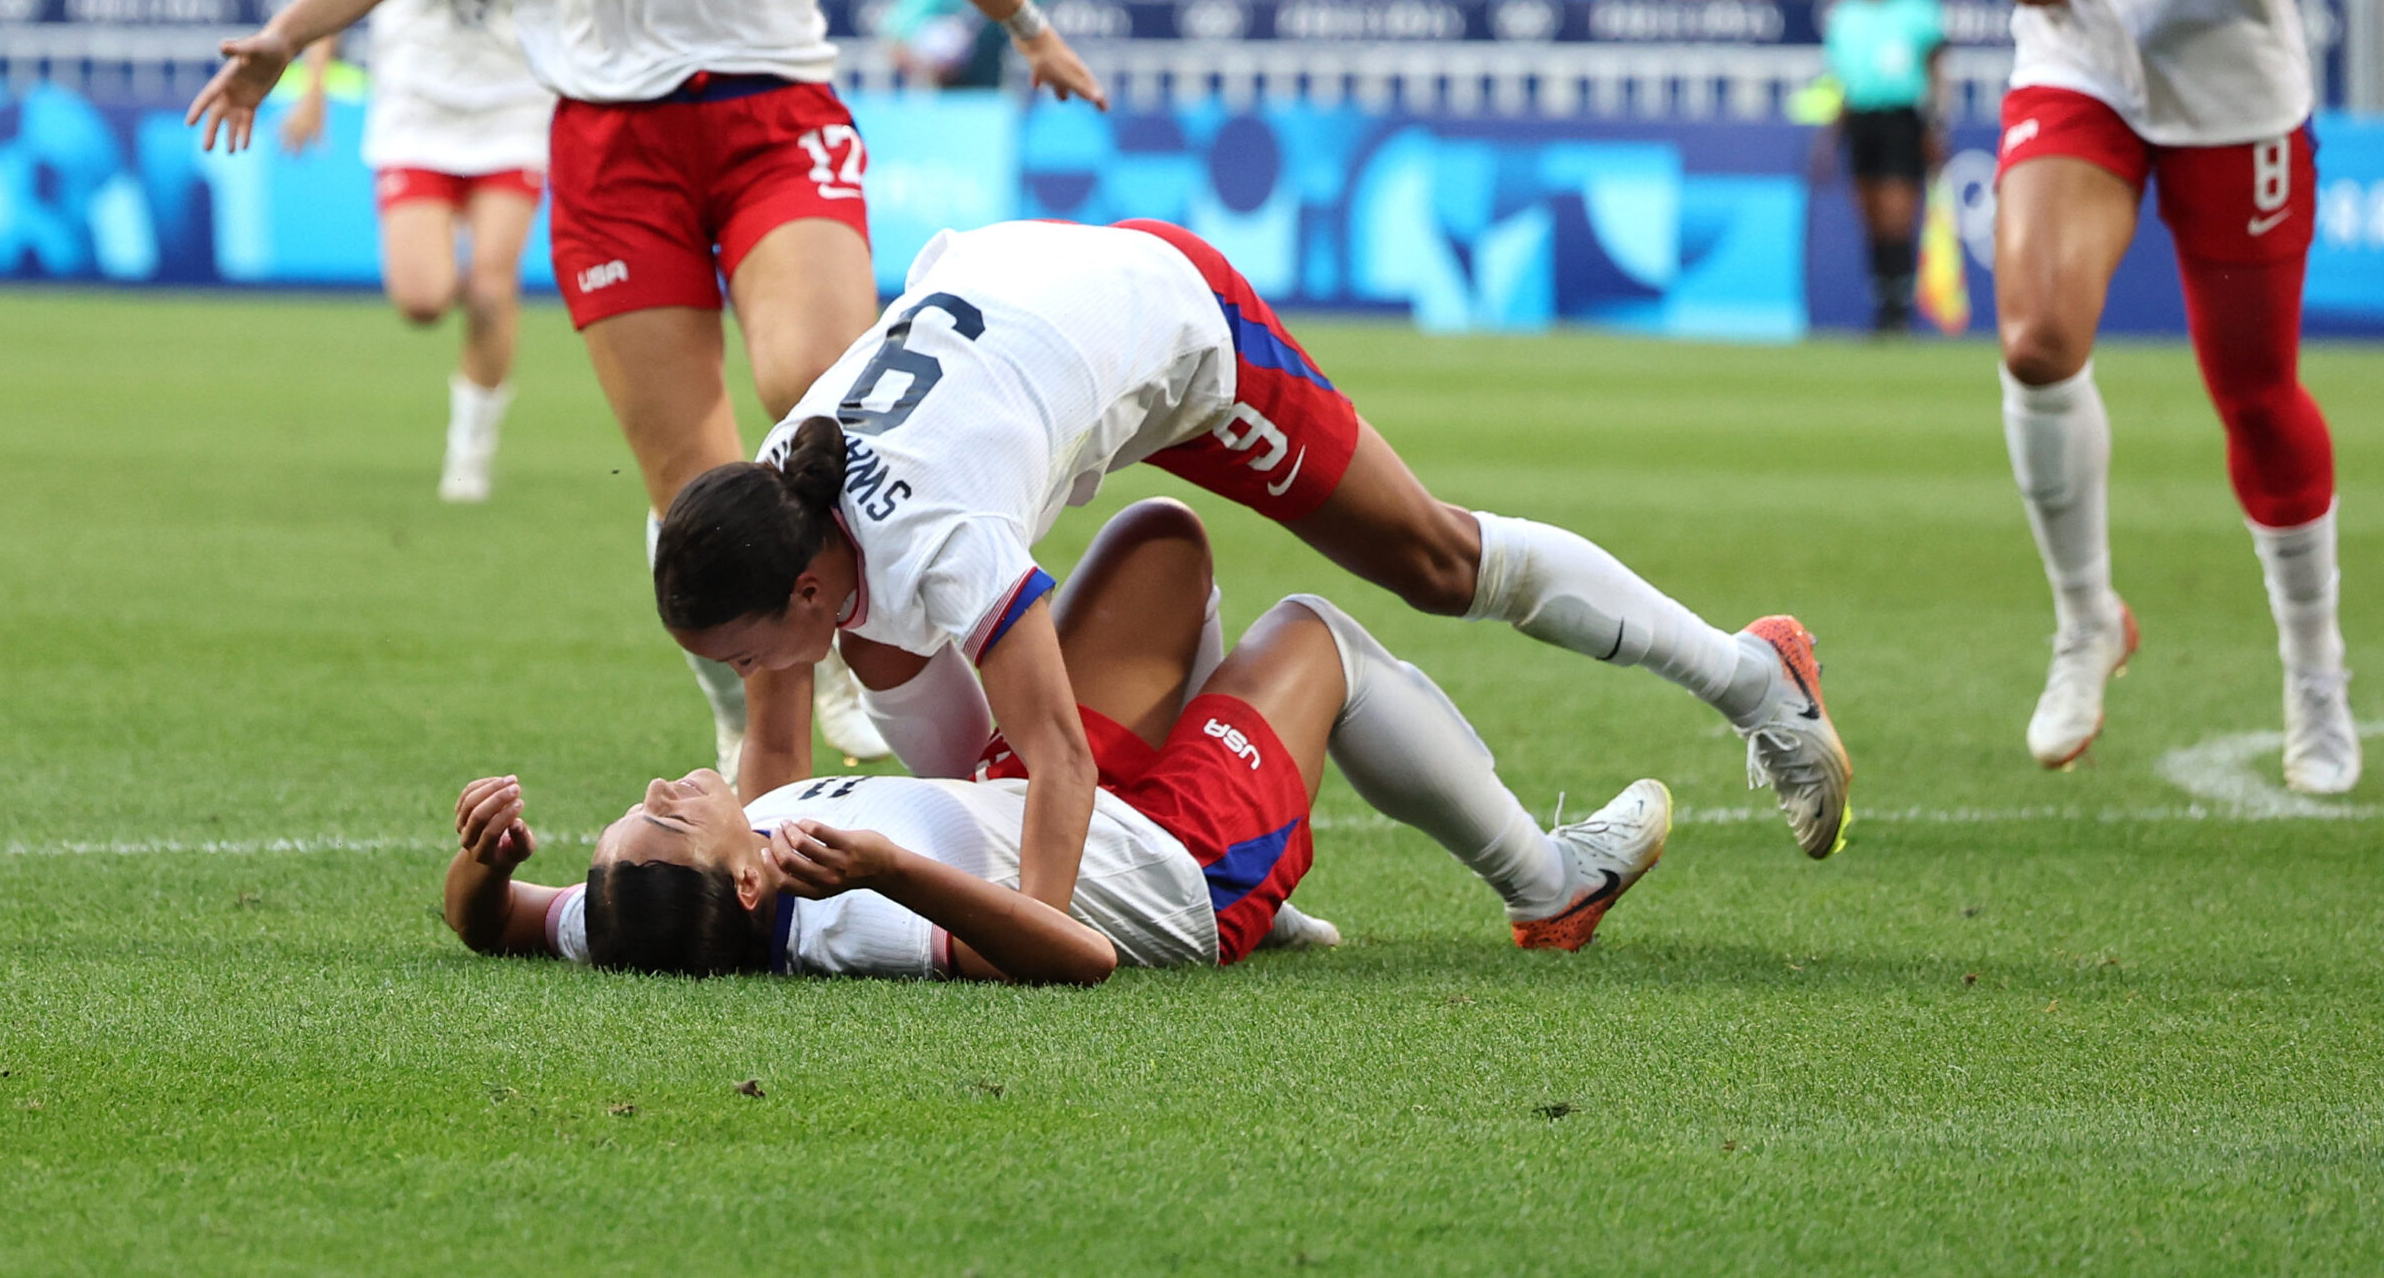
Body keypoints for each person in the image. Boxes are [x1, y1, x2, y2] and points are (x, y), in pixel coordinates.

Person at [189, 0, 1108, 773]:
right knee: (696, 489)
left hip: (773, 118)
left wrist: (1024, 21)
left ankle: (870, 664)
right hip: (615, 150)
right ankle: (764, 752)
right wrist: (287, 38)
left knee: (812, 383)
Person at [647, 218, 1850, 919]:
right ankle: (1214, 864)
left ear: (803, 585)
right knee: (947, 722)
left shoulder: (930, 535)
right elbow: (782, 762)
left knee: (1433, 559)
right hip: (1012, 311)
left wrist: (1030, 936)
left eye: (747, 653)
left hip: (1168, 328)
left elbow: (1057, 760)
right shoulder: (784, 513)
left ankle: (1753, 679)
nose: (758, 678)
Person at [444, 498, 1682, 978]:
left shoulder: (634, 910)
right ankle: (1548, 882)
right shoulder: (857, 916)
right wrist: (894, 868)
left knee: (1161, 541)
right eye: (673, 811)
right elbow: (1076, 962)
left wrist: (488, 864)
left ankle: (1276, 840)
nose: (667, 784)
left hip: (1037, 791)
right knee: (1315, 632)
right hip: (1169, 866)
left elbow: (494, 924)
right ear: (755, 877)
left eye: (637, 805)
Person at [1976, 0, 2378, 788]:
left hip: (2230, 83)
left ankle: (2316, 680)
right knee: (2036, 335)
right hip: (2083, 55)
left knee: (2254, 396)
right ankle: (2087, 616)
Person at [276, 0, 547, 503]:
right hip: (418, 116)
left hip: (510, 116)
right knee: (425, 298)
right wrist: (315, 87)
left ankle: (471, 453)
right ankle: (455, 263)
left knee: (492, 291)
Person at [1821, 0, 1947, 333]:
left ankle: (1900, 305)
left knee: (1898, 215)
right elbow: (1842, 80)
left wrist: (1935, 126)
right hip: (1860, 121)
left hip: (1902, 120)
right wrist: (1829, 138)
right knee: (1871, 215)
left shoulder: (1918, 8)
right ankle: (1882, 300)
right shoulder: (1844, 15)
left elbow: (1936, 72)